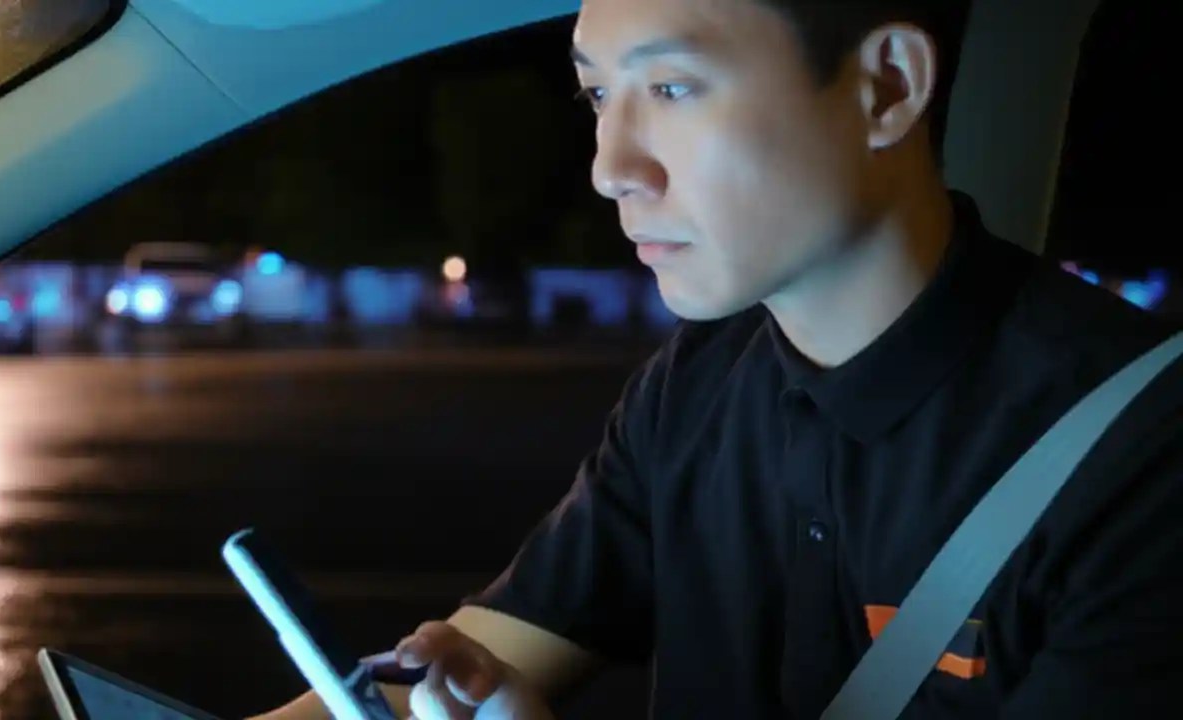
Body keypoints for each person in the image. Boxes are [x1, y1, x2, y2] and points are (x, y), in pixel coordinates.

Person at [252, 0, 1183, 717]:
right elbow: (475, 658)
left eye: (671, 89)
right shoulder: (697, 384)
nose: (610, 167)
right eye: (597, 96)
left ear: (887, 88)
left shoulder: (1140, 448)